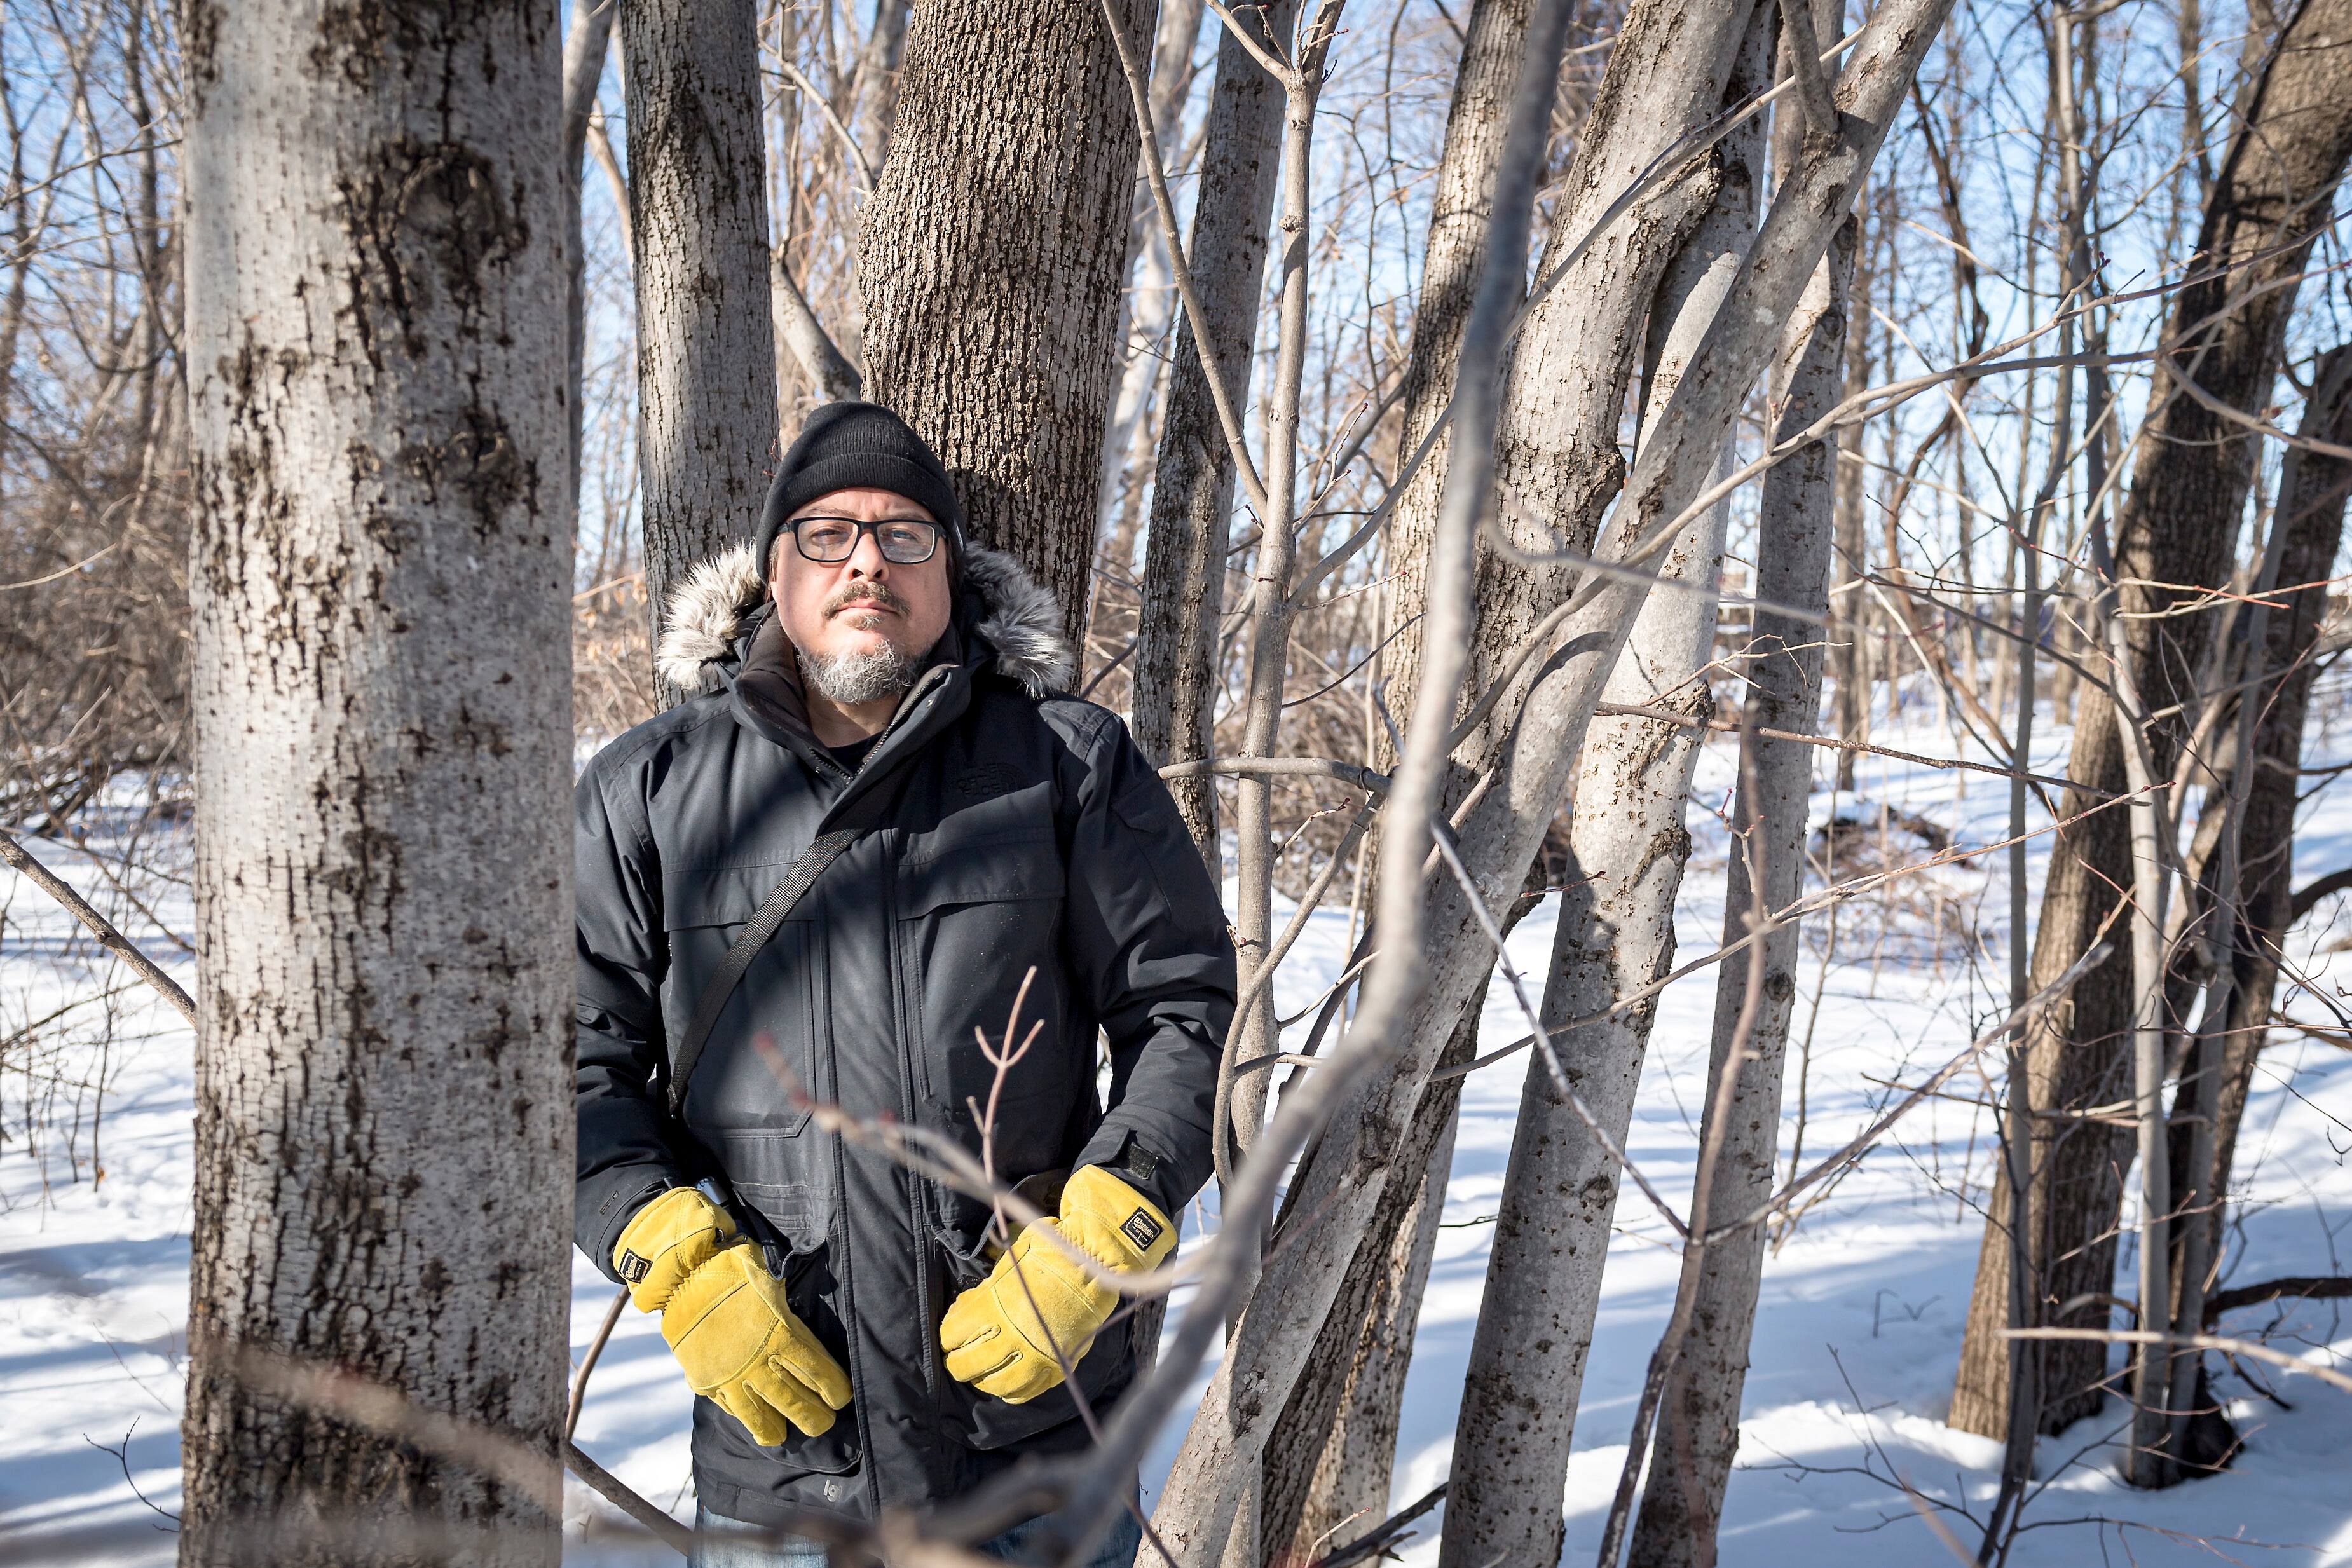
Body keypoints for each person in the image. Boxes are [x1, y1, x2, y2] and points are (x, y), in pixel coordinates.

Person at [573, 402, 1231, 1567]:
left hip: (1036, 1444)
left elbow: (1181, 1009)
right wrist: (670, 1259)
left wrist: (1108, 1227)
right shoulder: (646, 792)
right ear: (773, 577)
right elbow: (572, 1063)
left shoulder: (1067, 765)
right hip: (784, 1450)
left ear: (952, 578)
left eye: (906, 535)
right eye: (826, 535)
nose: (867, 559)